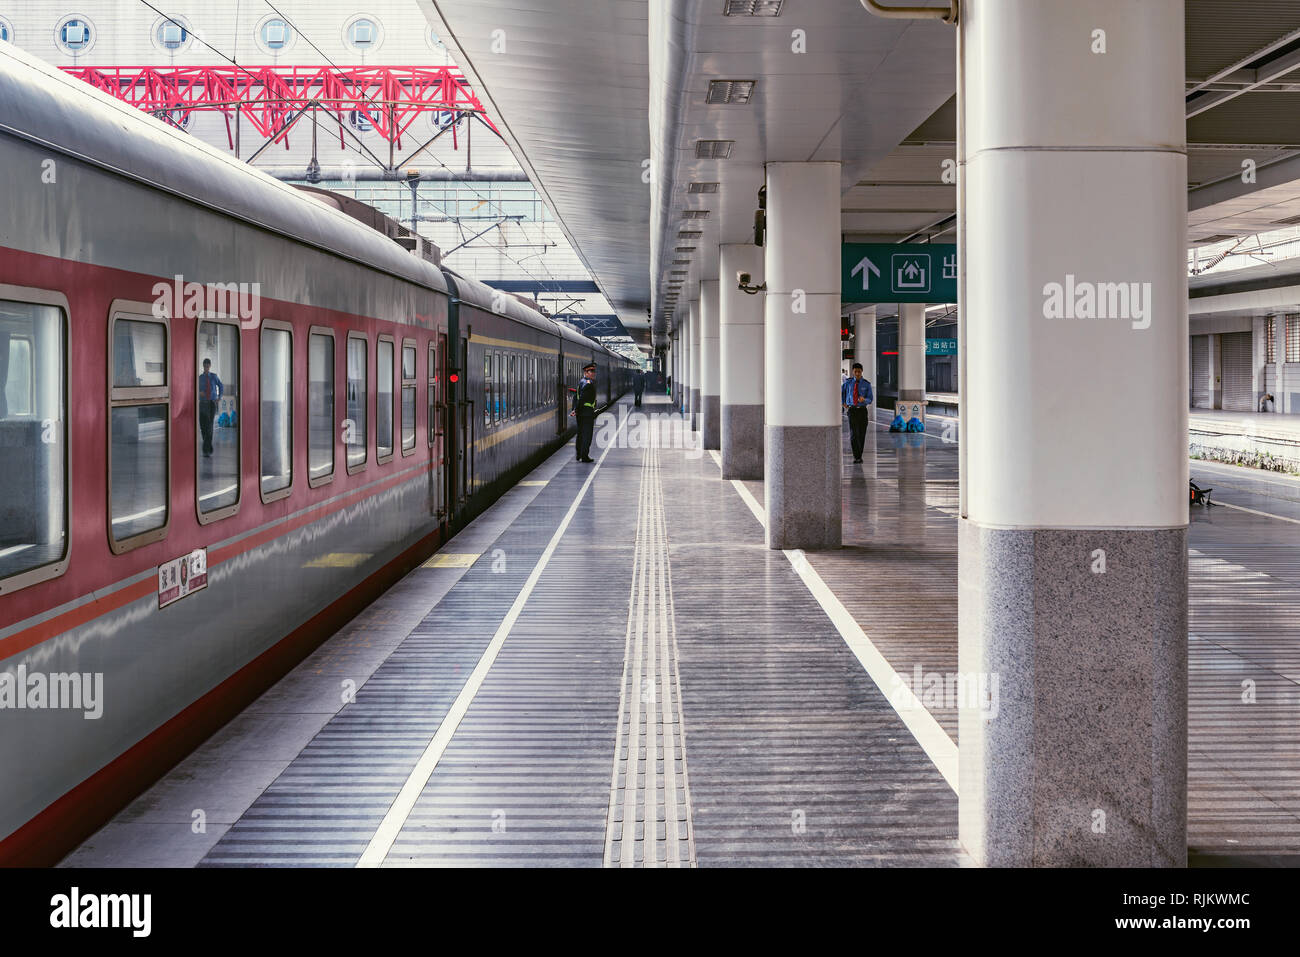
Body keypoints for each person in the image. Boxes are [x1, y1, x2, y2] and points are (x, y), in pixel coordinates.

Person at [841, 361, 873, 463]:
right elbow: (842, 393)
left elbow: (870, 398)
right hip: (852, 410)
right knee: (854, 434)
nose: (857, 374)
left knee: (861, 434)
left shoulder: (866, 384)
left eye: (859, 371)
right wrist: (843, 402)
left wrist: (865, 400)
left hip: (862, 411)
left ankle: (859, 454)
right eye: (855, 371)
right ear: (853, 372)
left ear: (862, 371)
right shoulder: (848, 383)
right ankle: (857, 457)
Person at [569, 361, 597, 462]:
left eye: (594, 371)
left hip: (581, 413)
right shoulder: (588, 384)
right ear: (586, 373)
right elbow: (581, 399)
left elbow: (575, 397)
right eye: (591, 371)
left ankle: (578, 454)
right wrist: (576, 409)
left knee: (580, 434)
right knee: (587, 435)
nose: (593, 373)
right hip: (587, 413)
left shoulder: (581, 382)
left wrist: (574, 409)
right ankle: (584, 456)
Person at [198, 358, 224, 457]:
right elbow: (194, 388)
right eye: (205, 366)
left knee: (209, 426)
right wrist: (198, 392)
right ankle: (208, 446)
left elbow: (221, 385)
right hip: (202, 403)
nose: (206, 368)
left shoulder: (214, 376)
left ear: (210, 366)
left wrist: (220, 396)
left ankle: (206, 450)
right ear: (203, 366)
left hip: (212, 403)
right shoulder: (200, 378)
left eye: (208, 366)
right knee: (203, 426)